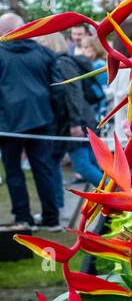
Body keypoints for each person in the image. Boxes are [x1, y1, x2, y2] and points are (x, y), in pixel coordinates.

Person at [0, 12, 62, 229]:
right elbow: (57, 89)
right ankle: (51, 218)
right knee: (43, 169)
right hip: (40, 119)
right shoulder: (44, 53)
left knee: (15, 172)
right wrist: (53, 115)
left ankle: (23, 218)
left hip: (9, 124)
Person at [38, 31, 103, 188]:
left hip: (77, 122)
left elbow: (74, 92)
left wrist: (75, 123)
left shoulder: (62, 63)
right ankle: (113, 194)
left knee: (82, 165)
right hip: (81, 119)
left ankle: (115, 195)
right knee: (92, 162)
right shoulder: (61, 62)